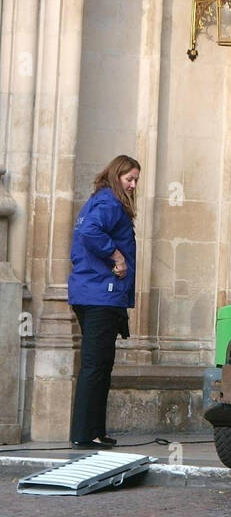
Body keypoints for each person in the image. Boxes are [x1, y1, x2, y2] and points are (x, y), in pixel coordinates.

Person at [68, 155, 140, 448]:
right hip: (101, 294)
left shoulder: (100, 199)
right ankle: (86, 435)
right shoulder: (110, 202)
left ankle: (92, 431)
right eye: (129, 179)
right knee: (96, 366)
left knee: (98, 364)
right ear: (116, 176)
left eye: (136, 180)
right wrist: (117, 255)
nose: (134, 185)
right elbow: (89, 232)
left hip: (94, 293)